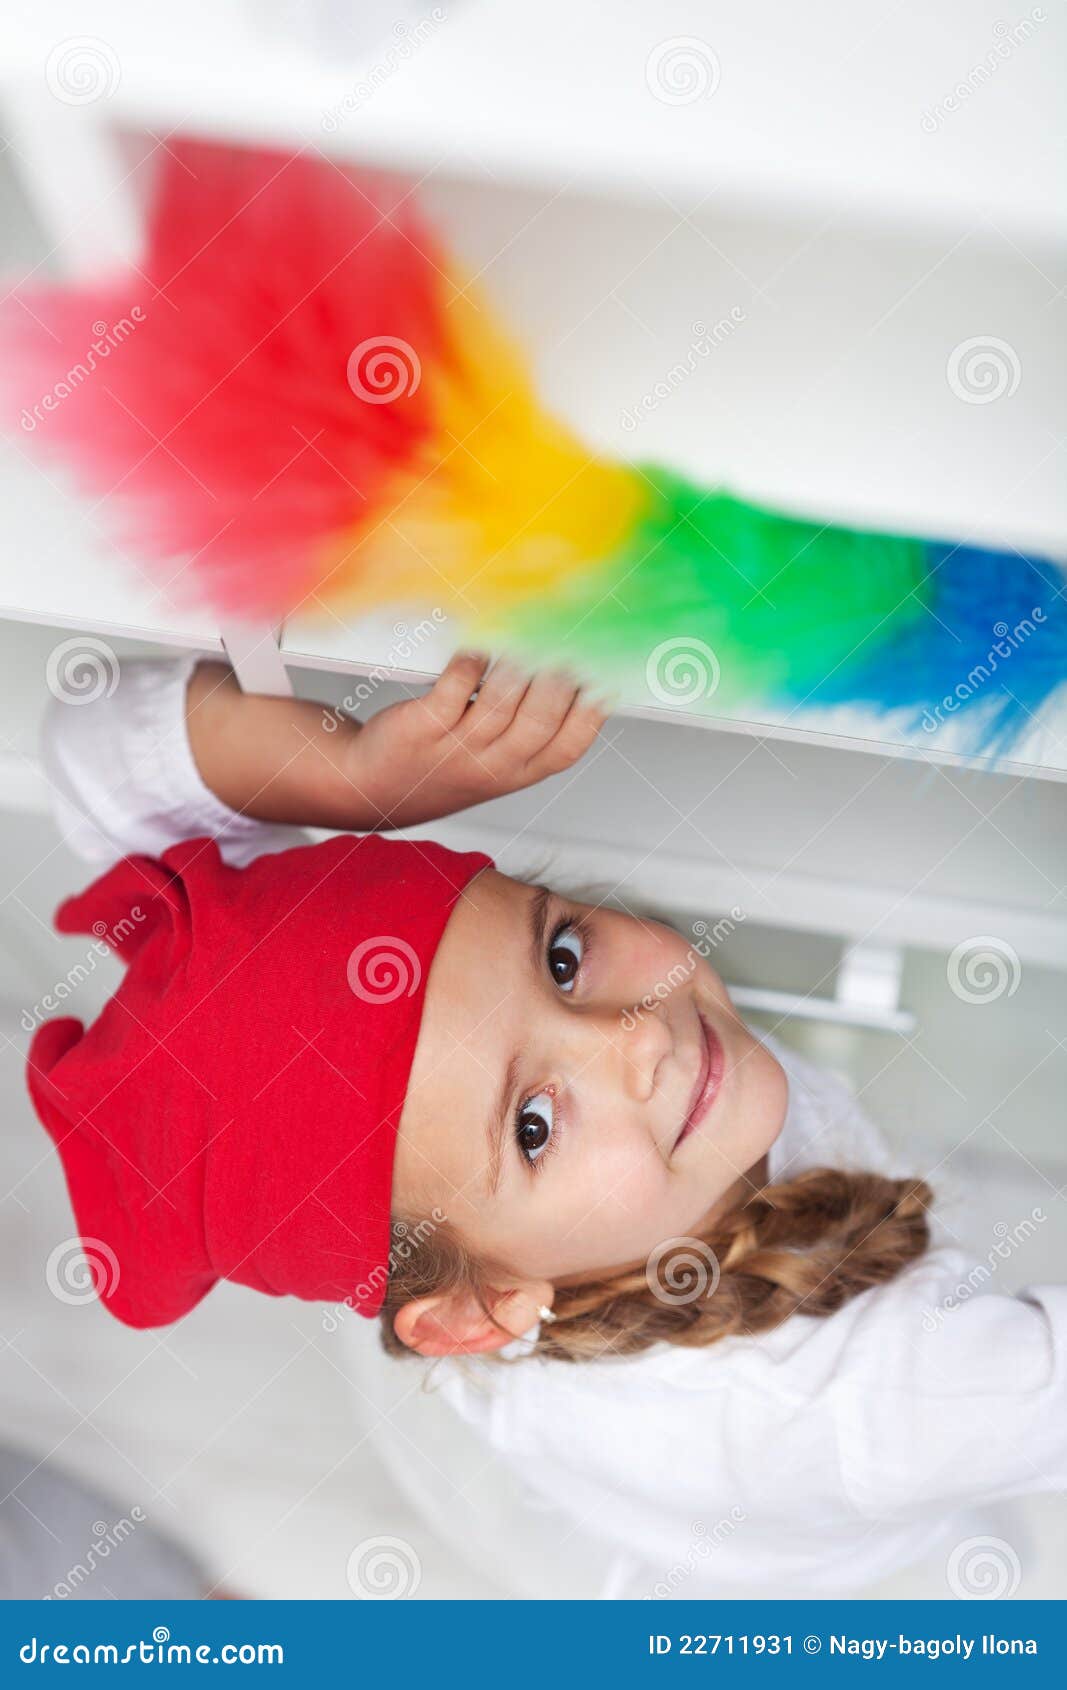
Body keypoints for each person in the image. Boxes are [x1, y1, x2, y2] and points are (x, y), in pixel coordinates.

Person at [29, 655, 1066, 1595]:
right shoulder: (860, 1398)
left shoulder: (508, 1222)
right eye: (529, 1125)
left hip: (529, 1424)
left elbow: (91, 759)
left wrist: (352, 779)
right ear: (479, 1308)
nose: (633, 1041)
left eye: (562, 959)